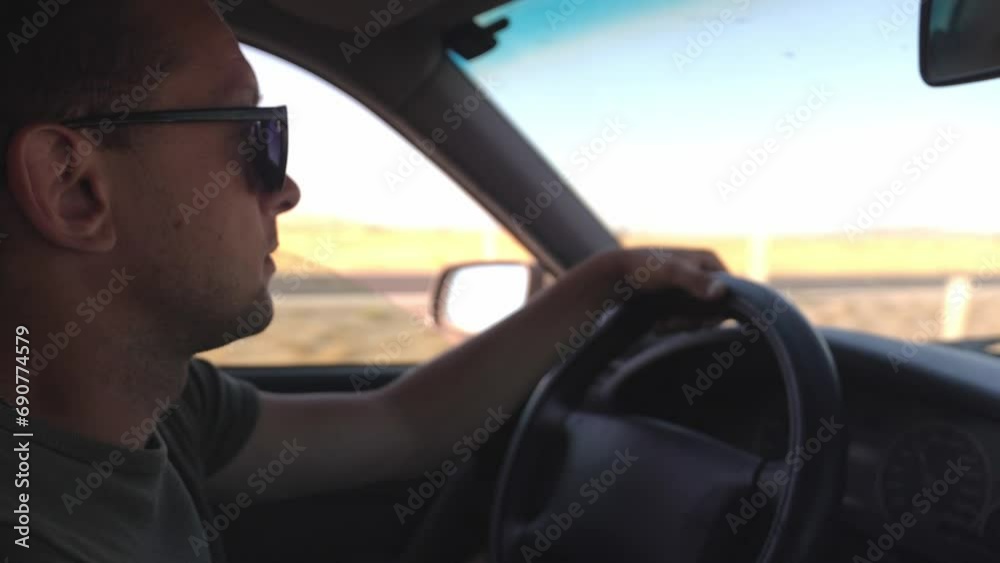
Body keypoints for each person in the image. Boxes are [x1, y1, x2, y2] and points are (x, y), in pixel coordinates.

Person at [0, 1, 727, 561]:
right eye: (254, 135)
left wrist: (602, 281)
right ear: (74, 188)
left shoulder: (162, 407)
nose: (287, 190)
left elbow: (401, 425)